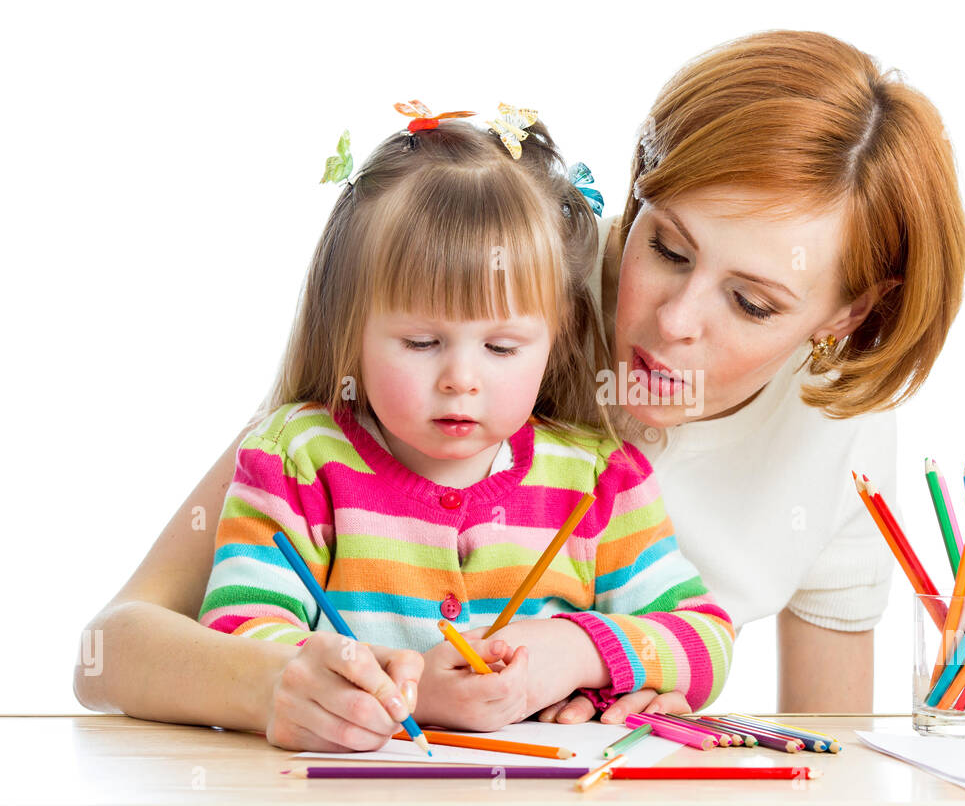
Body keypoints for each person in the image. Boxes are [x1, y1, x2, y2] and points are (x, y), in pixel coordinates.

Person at [74, 30, 965, 733]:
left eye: (752, 302)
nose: (674, 319)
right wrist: (285, 682)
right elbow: (109, 651)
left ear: (846, 319)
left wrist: (596, 664)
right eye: (665, 246)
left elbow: (825, 748)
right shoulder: (499, 292)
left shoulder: (837, 424)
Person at [190, 104, 734, 750]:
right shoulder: (298, 462)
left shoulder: (599, 482)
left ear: (555, 343)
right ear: (350, 327)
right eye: (422, 341)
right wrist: (407, 687)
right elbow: (239, 634)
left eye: (501, 349)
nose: (460, 379)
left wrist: (580, 652)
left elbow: (705, 639)